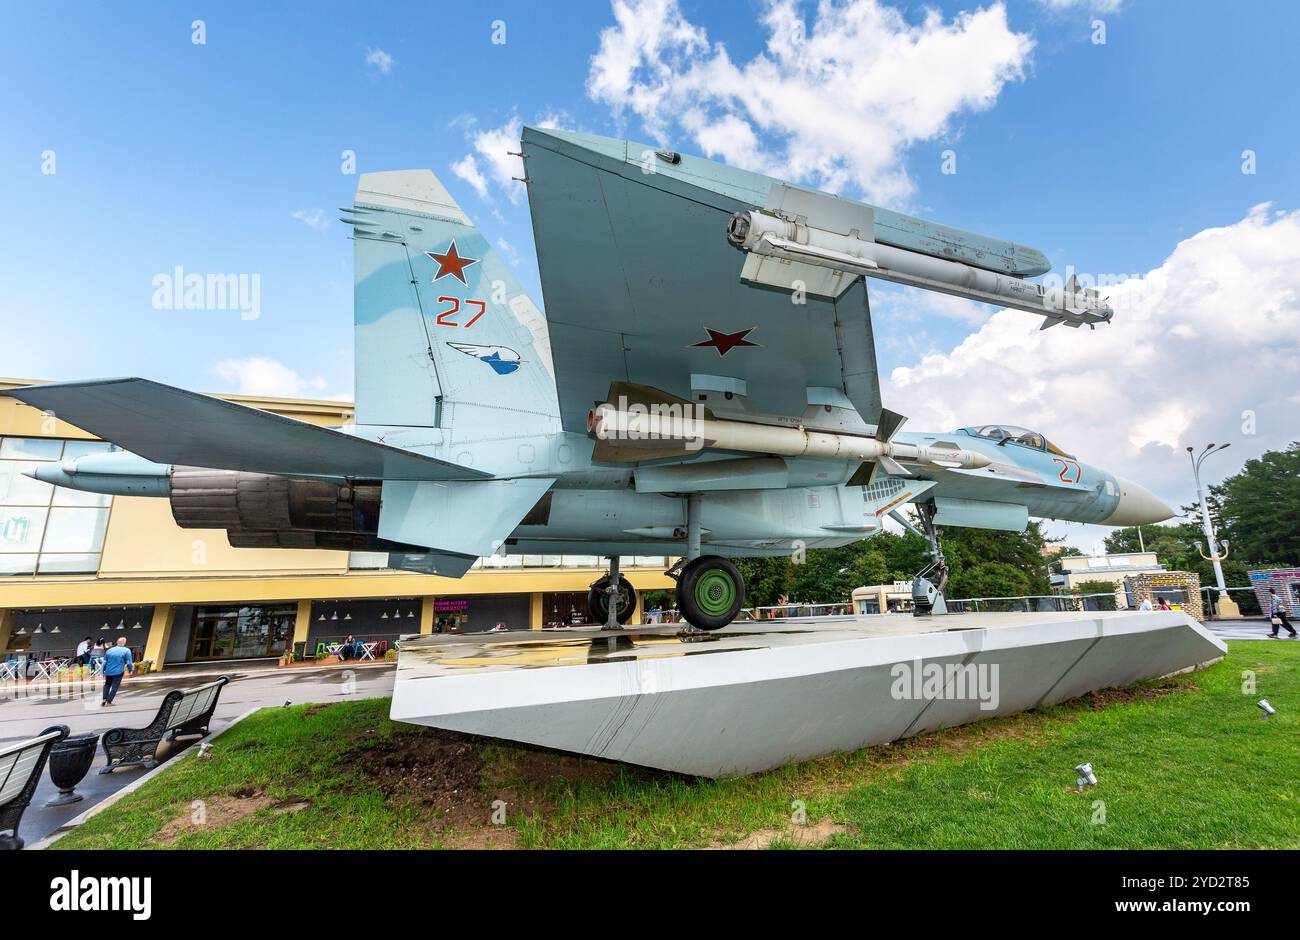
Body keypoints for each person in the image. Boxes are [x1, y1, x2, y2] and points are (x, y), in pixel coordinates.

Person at [101, 637, 134, 707]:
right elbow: (129, 663)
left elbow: (104, 662)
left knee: (107, 685)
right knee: (115, 686)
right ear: (124, 643)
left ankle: (104, 699)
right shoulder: (126, 650)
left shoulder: (109, 650)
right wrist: (130, 670)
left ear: (117, 642)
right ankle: (109, 702)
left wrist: (103, 671)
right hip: (118, 671)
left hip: (108, 671)